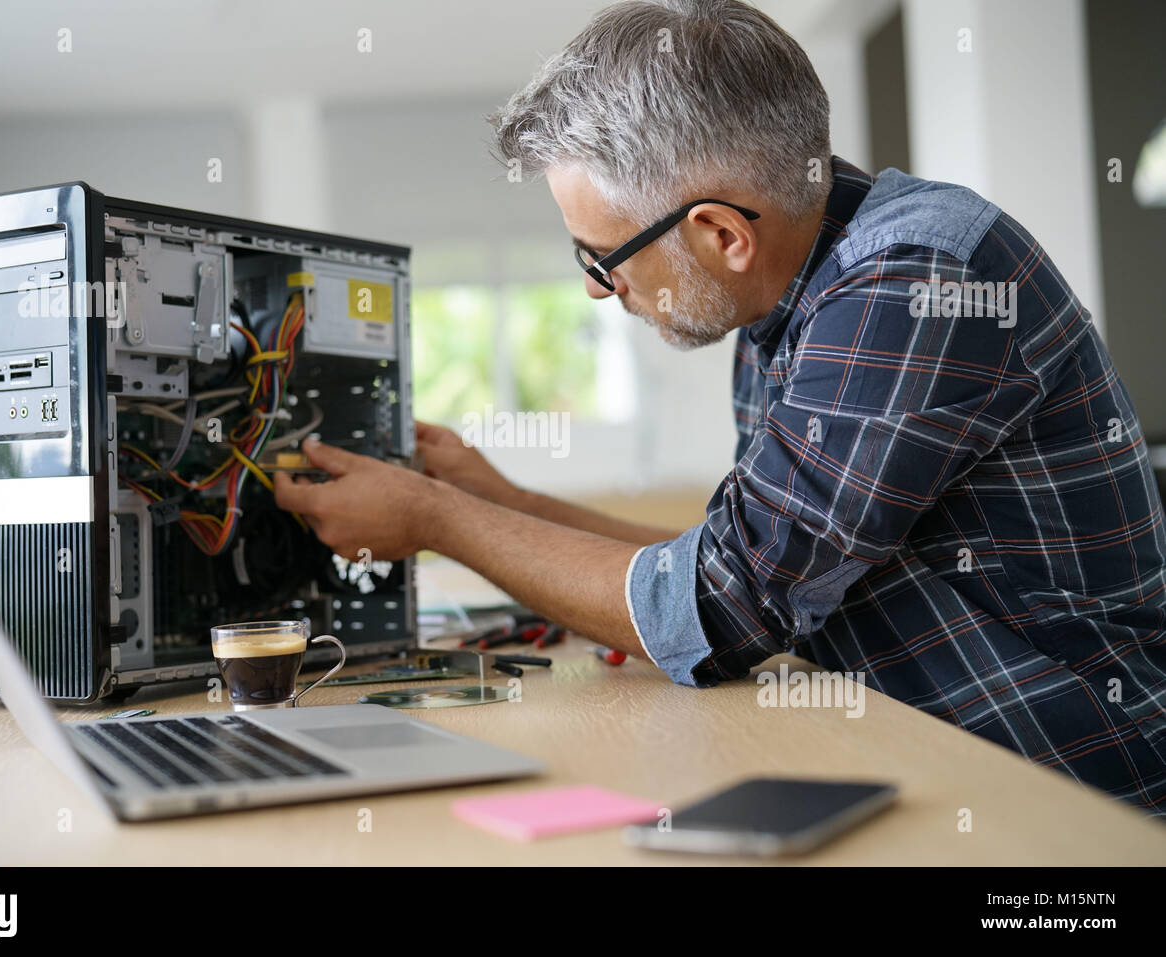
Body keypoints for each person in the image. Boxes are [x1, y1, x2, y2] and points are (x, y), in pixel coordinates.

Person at [274, 0, 1166, 815]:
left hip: (1072, 792)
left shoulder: (917, 284)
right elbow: (724, 568)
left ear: (722, 235)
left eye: (599, 257)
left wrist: (438, 520)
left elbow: (715, 608)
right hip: (919, 756)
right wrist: (498, 496)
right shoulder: (786, 301)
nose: (597, 289)